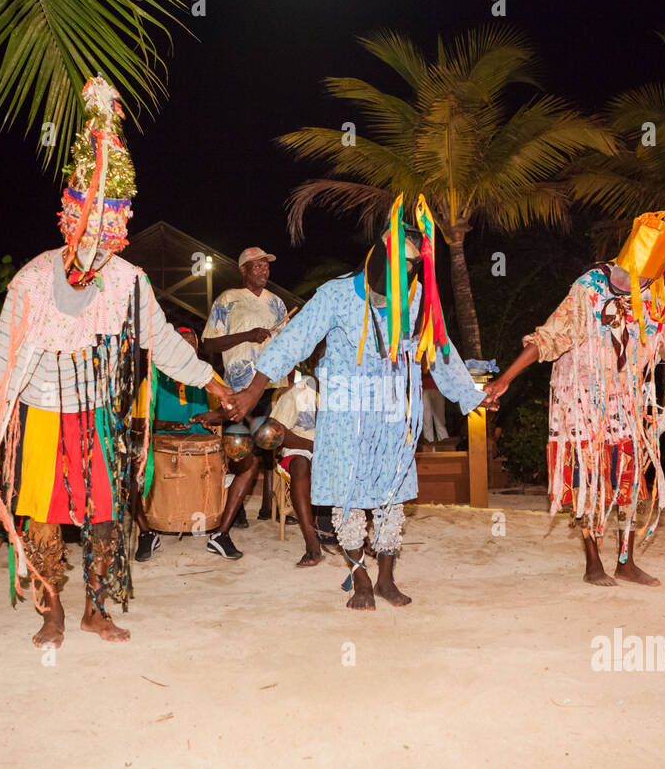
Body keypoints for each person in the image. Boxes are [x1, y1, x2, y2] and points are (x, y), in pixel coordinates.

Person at [0, 77, 238, 648]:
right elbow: (1, 363)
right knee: (41, 520)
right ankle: (52, 612)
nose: (96, 245)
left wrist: (211, 380)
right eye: (88, 230)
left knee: (106, 518)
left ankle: (94, 608)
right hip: (39, 416)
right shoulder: (33, 280)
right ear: (68, 219)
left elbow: (162, 343)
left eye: (109, 234)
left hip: (96, 418)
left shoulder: (128, 283)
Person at [232, 195, 486, 610]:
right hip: (347, 417)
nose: (408, 274)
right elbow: (293, 341)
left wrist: (469, 395)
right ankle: (359, 577)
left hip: (393, 418)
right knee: (348, 497)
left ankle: (386, 578)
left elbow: (438, 348)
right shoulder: (334, 295)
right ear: (381, 260)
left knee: (391, 496)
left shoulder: (418, 298)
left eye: (413, 268)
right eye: (401, 267)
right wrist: (255, 389)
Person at [482, 209, 665, 587]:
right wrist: (505, 378)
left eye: (653, 277)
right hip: (581, 402)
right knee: (589, 482)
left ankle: (626, 562)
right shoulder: (588, 288)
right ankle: (592, 563)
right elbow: (548, 337)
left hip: (628, 404)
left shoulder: (653, 295)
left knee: (631, 481)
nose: (648, 283)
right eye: (644, 276)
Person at [201, 247, 288, 526]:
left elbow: (287, 345)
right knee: (238, 446)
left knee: (270, 446)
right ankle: (235, 509)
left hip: (272, 385)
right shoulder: (228, 299)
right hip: (238, 388)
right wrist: (247, 336)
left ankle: (267, 506)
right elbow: (210, 343)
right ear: (243, 270)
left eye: (266, 265)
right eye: (257, 266)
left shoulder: (277, 302)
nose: (264, 270)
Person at [133, 325, 214, 562]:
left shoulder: (204, 376)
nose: (187, 347)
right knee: (130, 476)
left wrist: (211, 419)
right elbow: (136, 421)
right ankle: (147, 533)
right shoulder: (152, 377)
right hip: (157, 447)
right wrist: (163, 425)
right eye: (181, 343)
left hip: (195, 451)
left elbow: (221, 411)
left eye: (191, 343)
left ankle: (216, 528)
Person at [269, 351, 322, 566]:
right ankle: (311, 541)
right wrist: (313, 446)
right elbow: (277, 431)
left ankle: (361, 536)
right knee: (301, 465)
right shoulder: (301, 390)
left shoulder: (346, 389)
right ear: (315, 363)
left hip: (334, 450)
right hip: (300, 447)